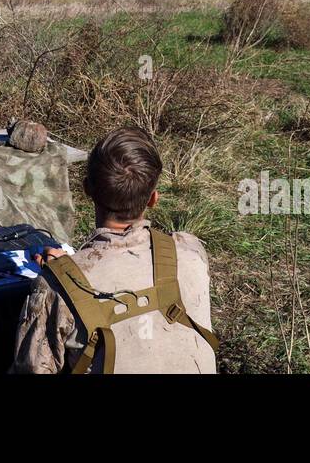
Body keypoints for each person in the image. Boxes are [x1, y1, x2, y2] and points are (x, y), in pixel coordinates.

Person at [11, 127, 218, 374]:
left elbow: (31, 368)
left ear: (87, 189)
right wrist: (71, 271)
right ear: (153, 198)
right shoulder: (191, 249)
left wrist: (61, 279)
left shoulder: (54, 286)